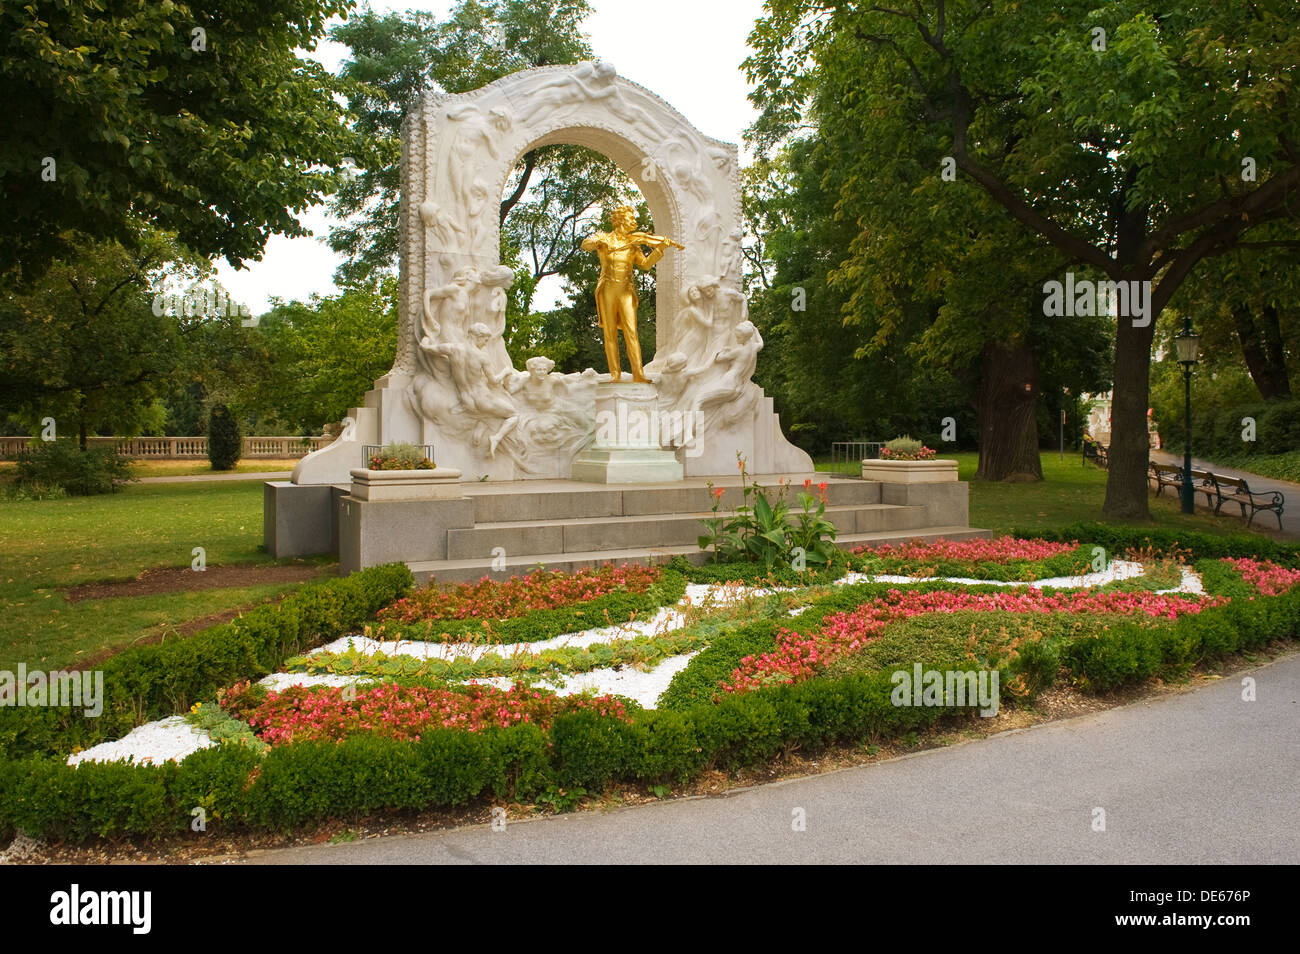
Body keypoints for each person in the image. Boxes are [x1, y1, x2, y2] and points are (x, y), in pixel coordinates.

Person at [580, 205, 682, 383]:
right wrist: (598, 243)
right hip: (607, 290)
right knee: (609, 333)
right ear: (620, 220)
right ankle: (615, 374)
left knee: (632, 332)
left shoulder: (634, 244)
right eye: (630, 218)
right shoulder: (604, 238)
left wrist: (659, 250)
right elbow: (585, 244)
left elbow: (644, 264)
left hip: (626, 290)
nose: (634, 222)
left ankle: (638, 374)